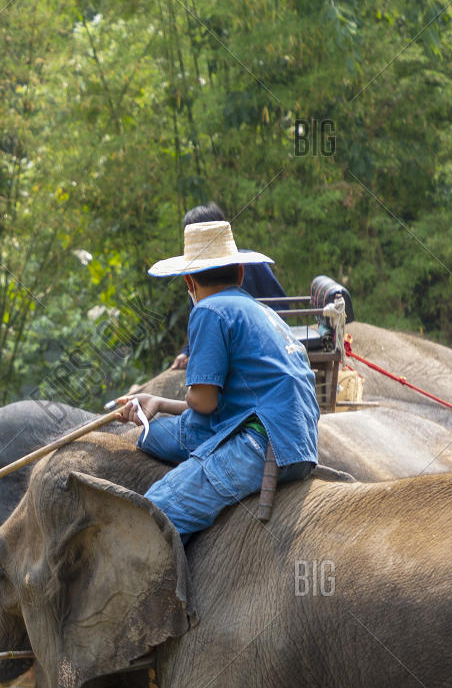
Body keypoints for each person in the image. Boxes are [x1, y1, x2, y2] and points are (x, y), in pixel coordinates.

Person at [117, 220, 319, 537]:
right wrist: (155, 402)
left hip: (261, 441)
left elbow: (204, 402)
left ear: (189, 282)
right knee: (152, 435)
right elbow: (211, 405)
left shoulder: (209, 310)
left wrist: (179, 400)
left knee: (151, 516)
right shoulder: (260, 310)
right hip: (299, 439)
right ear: (240, 273)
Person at [171, 203, 288, 369]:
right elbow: (200, 331)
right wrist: (187, 352)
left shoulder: (254, 267)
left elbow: (281, 306)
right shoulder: (198, 282)